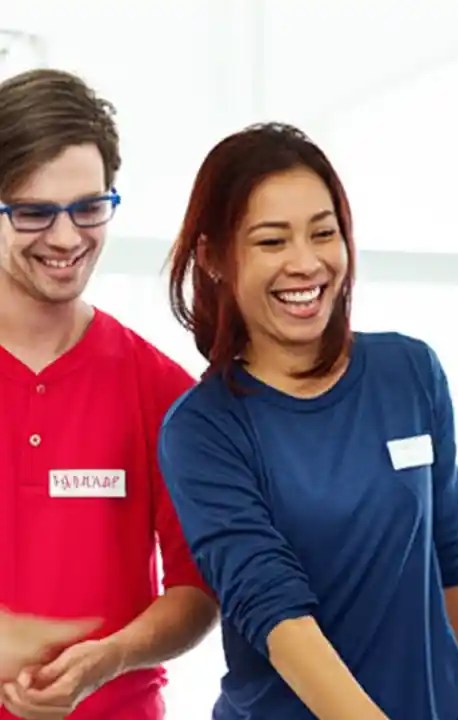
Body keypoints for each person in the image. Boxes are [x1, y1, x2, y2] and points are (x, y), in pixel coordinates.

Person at [157, 122, 458, 719]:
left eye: (323, 233)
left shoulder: (410, 372)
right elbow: (273, 607)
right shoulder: (203, 429)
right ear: (213, 258)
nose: (306, 263)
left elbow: (450, 562)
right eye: (271, 241)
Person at [0, 69, 218, 720]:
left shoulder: (162, 390)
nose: (67, 238)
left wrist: (112, 656)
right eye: (35, 212)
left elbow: (197, 589)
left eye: (89, 208)